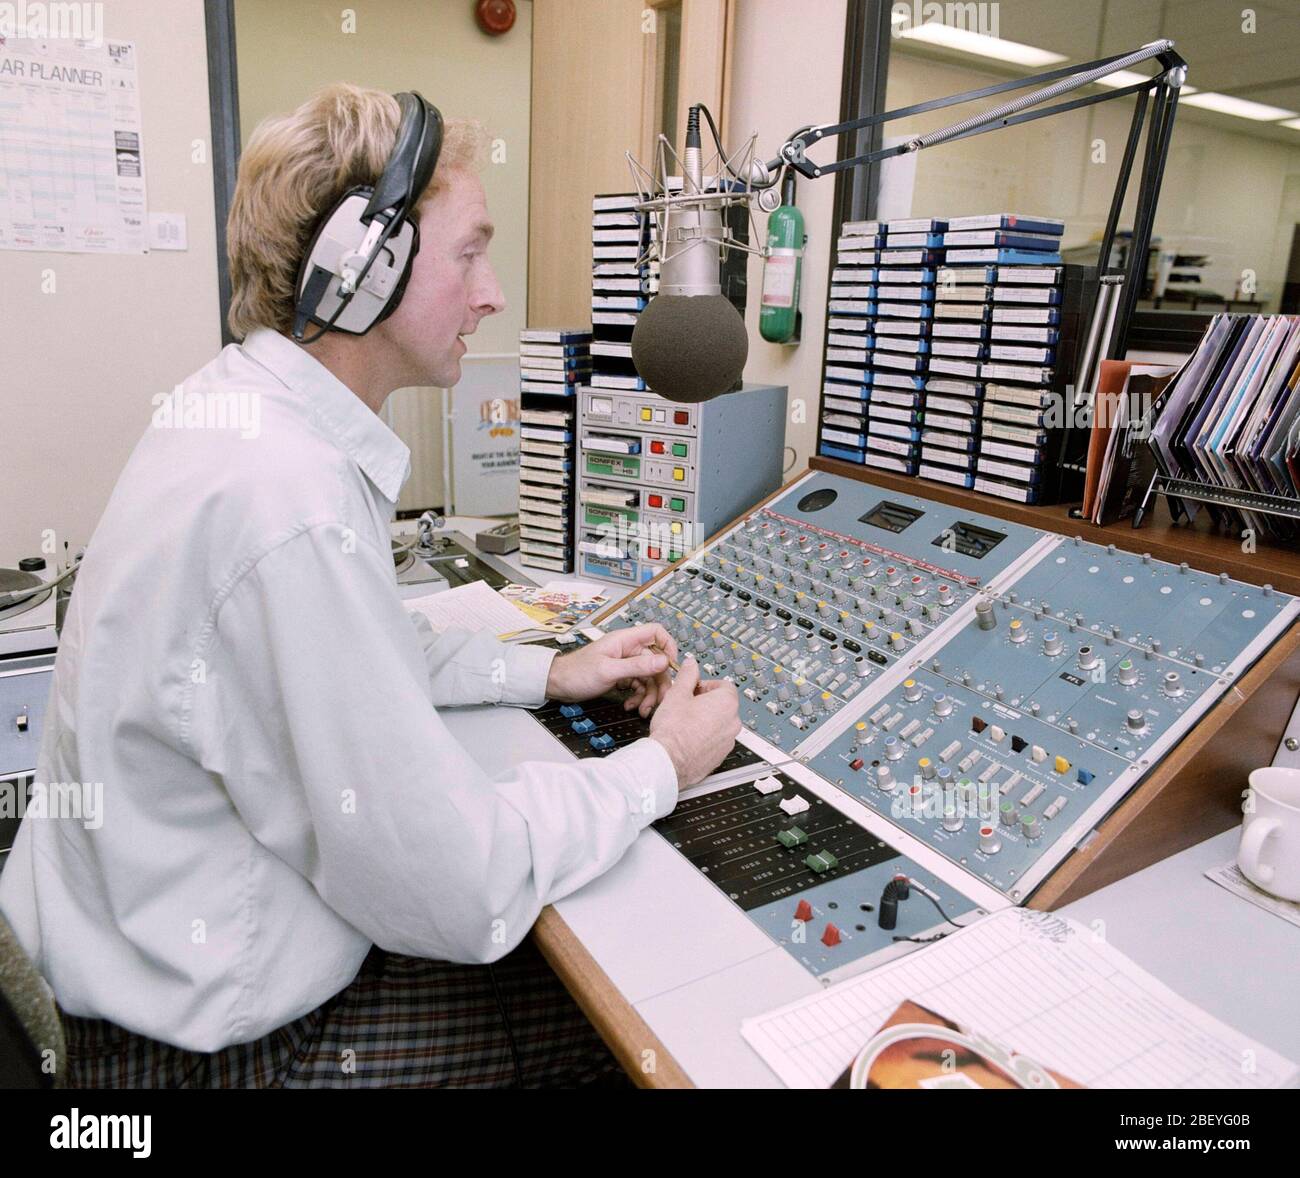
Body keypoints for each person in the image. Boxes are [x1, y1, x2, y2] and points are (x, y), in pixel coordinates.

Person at [0, 83, 740, 1088]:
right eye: (471, 251)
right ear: (363, 263)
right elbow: (460, 883)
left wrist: (549, 672)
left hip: (125, 972)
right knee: (647, 1025)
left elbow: (361, 646)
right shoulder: (283, 499)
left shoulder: (239, 416)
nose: (492, 294)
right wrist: (661, 765)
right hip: (212, 1055)